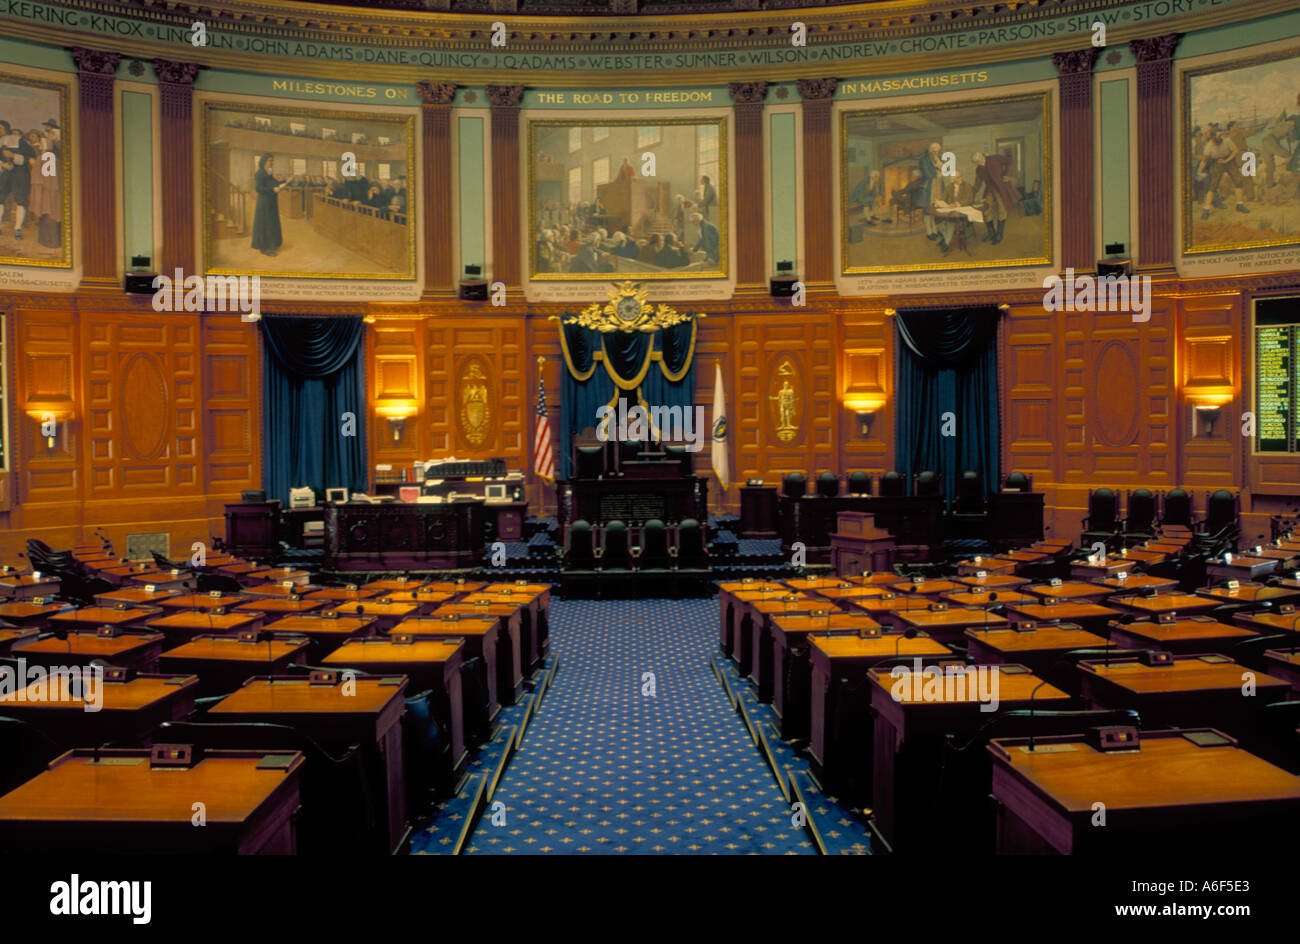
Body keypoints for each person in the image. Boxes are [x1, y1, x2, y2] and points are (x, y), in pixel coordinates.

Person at [970, 150, 1020, 245]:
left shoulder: (994, 158)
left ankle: (999, 235)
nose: (977, 164)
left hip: (1001, 188)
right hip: (989, 190)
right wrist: (971, 193)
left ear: (982, 158)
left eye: (978, 162)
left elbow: (1010, 161)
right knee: (986, 210)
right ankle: (991, 234)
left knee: (1002, 210)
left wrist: (1007, 175)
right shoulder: (979, 169)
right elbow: (978, 182)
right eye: (976, 163)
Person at [251, 153, 294, 256]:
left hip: (271, 201)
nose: (272, 163)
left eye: (272, 161)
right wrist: (272, 189)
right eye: (270, 161)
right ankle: (264, 248)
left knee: (272, 223)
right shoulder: (260, 173)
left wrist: (285, 181)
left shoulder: (268, 172)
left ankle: (272, 244)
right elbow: (258, 188)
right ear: (264, 161)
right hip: (264, 203)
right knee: (265, 224)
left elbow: (275, 183)